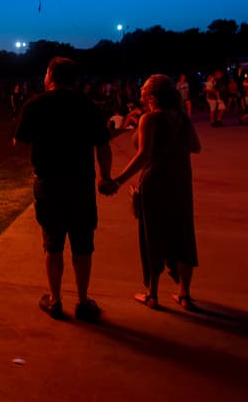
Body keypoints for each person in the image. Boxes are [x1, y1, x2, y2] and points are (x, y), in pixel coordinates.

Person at [12, 57, 113, 322]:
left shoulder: (35, 104)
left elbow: (20, 142)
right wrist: (105, 177)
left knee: (52, 243)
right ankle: (82, 301)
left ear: (51, 76)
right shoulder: (87, 106)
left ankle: (55, 300)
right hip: (81, 184)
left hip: (49, 184)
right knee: (83, 244)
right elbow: (102, 145)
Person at [106, 74, 202, 310]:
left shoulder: (150, 119)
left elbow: (144, 156)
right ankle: (184, 294)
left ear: (153, 96)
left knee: (153, 237)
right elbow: (196, 147)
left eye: (144, 92)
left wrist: (118, 181)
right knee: (183, 235)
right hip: (180, 182)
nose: (141, 96)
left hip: (155, 182)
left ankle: (153, 294)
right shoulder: (182, 118)